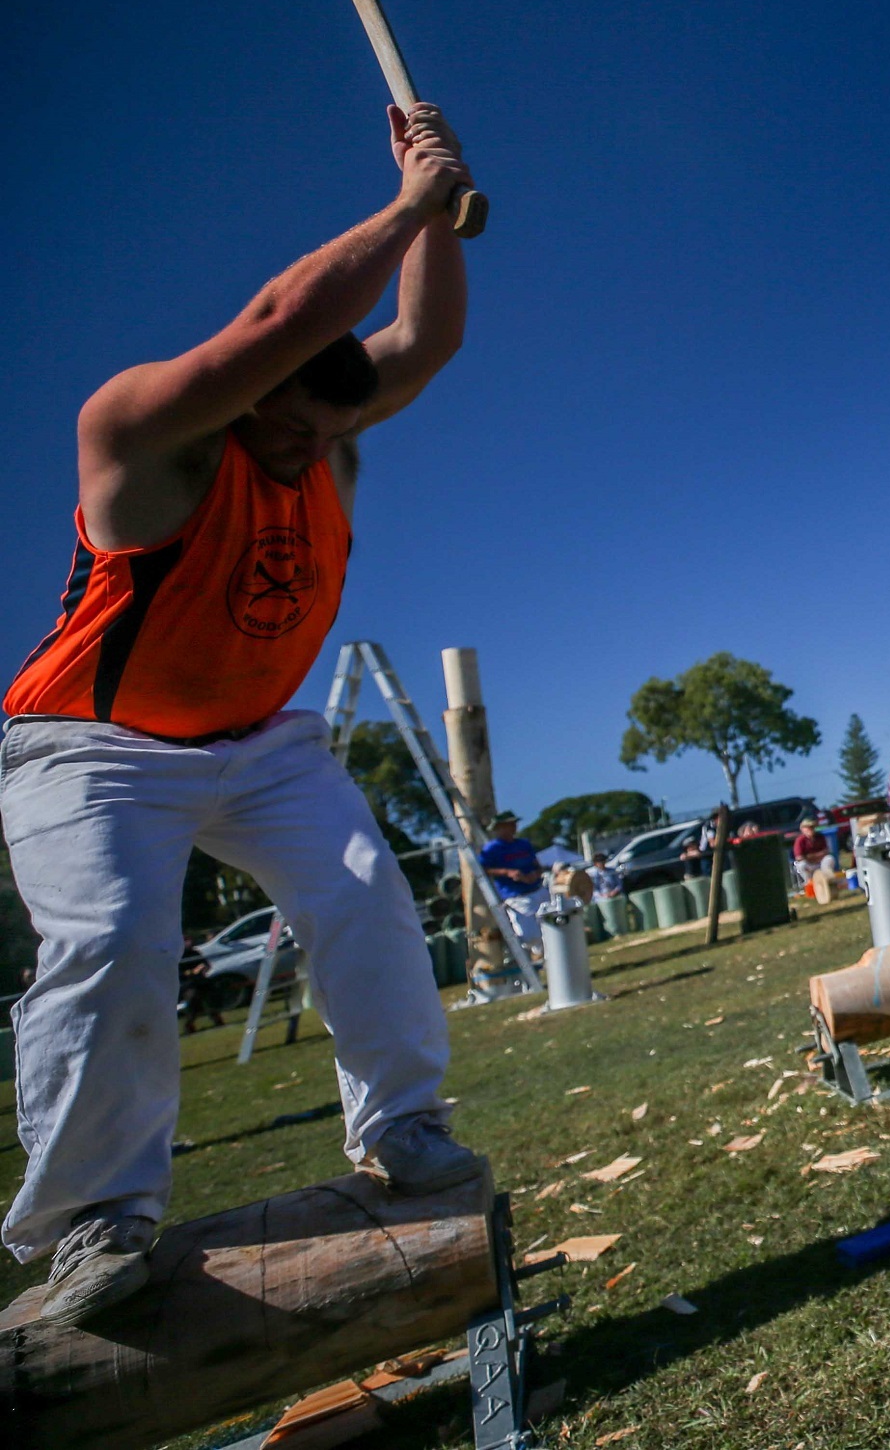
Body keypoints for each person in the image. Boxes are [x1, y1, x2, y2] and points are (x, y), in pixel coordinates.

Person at [0, 103, 479, 1325]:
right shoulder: (139, 432)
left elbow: (419, 341)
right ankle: (96, 1218)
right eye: (283, 431)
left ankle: (404, 1131)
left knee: (367, 887)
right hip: (93, 749)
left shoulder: (325, 436)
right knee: (113, 941)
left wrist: (437, 206)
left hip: (258, 742)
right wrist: (404, 207)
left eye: (325, 435)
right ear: (242, 399)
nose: (301, 455)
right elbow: (276, 324)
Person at [478, 812, 546, 951]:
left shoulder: (523, 844)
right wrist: (507, 872)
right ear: (499, 828)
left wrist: (536, 874)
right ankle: (536, 957)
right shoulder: (492, 849)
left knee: (549, 928)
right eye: (509, 824)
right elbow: (483, 869)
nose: (514, 827)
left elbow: (536, 864)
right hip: (516, 895)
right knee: (529, 936)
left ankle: (549, 960)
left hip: (536, 889)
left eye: (514, 824)